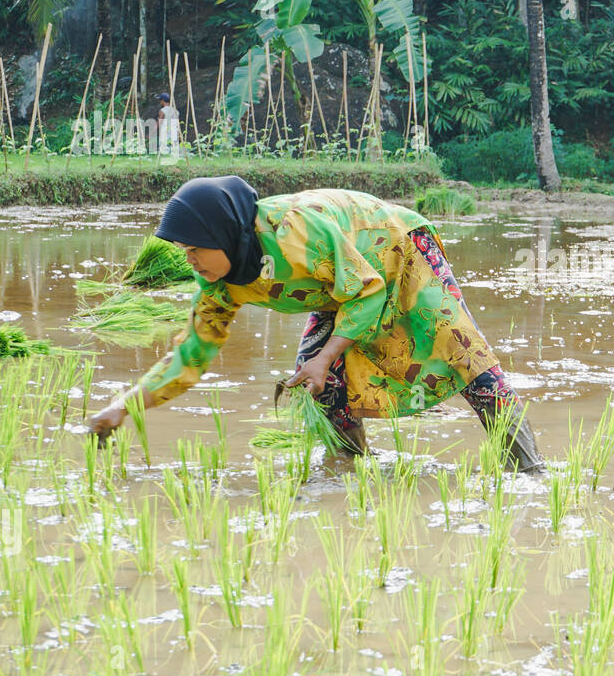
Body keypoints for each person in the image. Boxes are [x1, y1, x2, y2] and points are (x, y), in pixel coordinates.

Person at [84, 176, 547, 473]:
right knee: (312, 372)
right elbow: (190, 356)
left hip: (397, 250)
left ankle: (529, 470)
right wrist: (123, 407)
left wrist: (330, 353)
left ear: (224, 234)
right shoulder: (218, 286)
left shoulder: (294, 232)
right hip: (339, 286)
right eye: (184, 252)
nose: (191, 261)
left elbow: (365, 288)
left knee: (462, 353)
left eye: (195, 249)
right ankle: (350, 463)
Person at [155, 91, 180, 157]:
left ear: (163, 100)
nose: (160, 102)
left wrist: (152, 132)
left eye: (160, 100)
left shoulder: (162, 111)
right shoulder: (176, 111)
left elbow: (159, 123)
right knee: (174, 153)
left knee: (164, 153)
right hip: (174, 133)